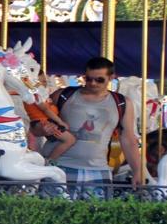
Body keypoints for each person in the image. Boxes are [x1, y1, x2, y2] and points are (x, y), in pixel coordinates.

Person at [51, 57, 145, 190]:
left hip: (99, 169)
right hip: (61, 165)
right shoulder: (63, 95)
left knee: (99, 211)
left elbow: (128, 139)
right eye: (88, 79)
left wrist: (137, 171)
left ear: (111, 77)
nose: (93, 83)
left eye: (99, 79)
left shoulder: (122, 103)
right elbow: (38, 123)